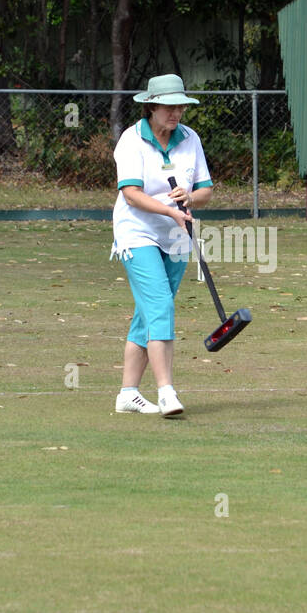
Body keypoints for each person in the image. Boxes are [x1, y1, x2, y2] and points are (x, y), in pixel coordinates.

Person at [111, 74, 213, 417]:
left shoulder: (190, 139)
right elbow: (132, 194)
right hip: (136, 231)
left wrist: (190, 198)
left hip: (175, 234)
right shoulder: (131, 140)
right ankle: (167, 392)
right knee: (160, 308)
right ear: (151, 106)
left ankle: (127, 394)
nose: (176, 112)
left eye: (180, 105)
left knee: (149, 311)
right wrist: (169, 210)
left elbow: (205, 191)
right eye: (169, 106)